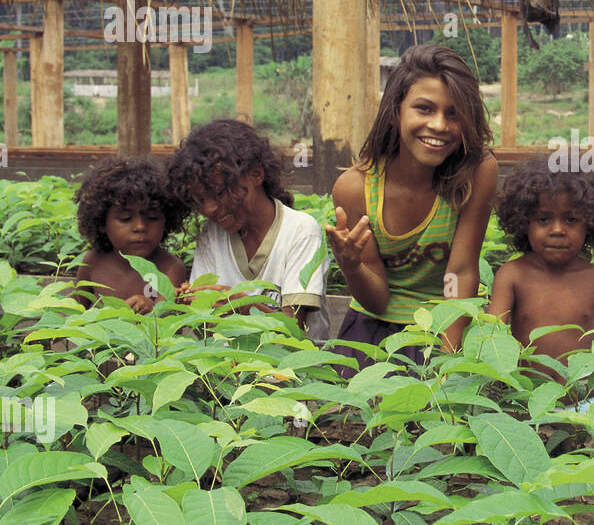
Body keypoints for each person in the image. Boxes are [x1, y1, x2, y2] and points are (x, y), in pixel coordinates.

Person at [325, 44, 498, 371]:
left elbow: (459, 273)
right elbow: (378, 300)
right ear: (395, 111)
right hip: (375, 332)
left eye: (454, 113)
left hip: (447, 325)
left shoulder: (477, 171)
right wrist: (351, 267)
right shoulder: (355, 188)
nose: (439, 125)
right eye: (424, 109)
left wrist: (447, 361)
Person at [167, 119, 329, 340]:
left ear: (257, 174)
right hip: (230, 370)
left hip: (295, 371)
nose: (209, 208)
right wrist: (188, 303)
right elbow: (204, 328)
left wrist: (239, 305)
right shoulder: (212, 235)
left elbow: (294, 332)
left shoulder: (300, 231)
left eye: (219, 193)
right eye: (199, 200)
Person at [487, 157, 594, 382]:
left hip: (592, 403)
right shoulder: (512, 276)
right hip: (523, 405)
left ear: (591, 223)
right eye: (543, 219)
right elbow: (489, 337)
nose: (558, 230)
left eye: (571, 219)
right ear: (523, 222)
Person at [74, 158, 188, 311]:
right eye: (125, 219)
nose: (140, 227)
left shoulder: (169, 267)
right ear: (101, 222)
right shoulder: (93, 262)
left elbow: (165, 317)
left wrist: (152, 308)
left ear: (166, 221)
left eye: (152, 217)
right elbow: (73, 310)